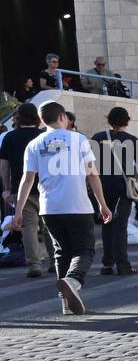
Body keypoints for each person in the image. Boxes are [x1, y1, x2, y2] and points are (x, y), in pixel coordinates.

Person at [12, 99, 112, 314]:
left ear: (42, 119)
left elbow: (27, 179)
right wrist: (103, 204)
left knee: (61, 252)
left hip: (49, 207)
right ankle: (73, 281)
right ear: (63, 117)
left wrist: (18, 210)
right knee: (84, 250)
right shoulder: (78, 139)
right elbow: (92, 175)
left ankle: (66, 303)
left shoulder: (35, 144)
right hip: (77, 204)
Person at [92, 106, 138, 276]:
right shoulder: (132, 139)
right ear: (126, 121)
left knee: (107, 224)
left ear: (109, 119)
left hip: (102, 186)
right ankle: (123, 264)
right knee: (120, 227)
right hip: (123, 187)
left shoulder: (97, 138)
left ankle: (107, 263)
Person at [0, 102, 48, 277]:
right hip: (46, 186)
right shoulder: (43, 136)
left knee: (29, 226)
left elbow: (4, 167)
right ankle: (55, 260)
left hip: (21, 187)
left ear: (18, 118)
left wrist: (6, 189)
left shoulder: (9, 137)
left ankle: (34, 263)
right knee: (48, 225)